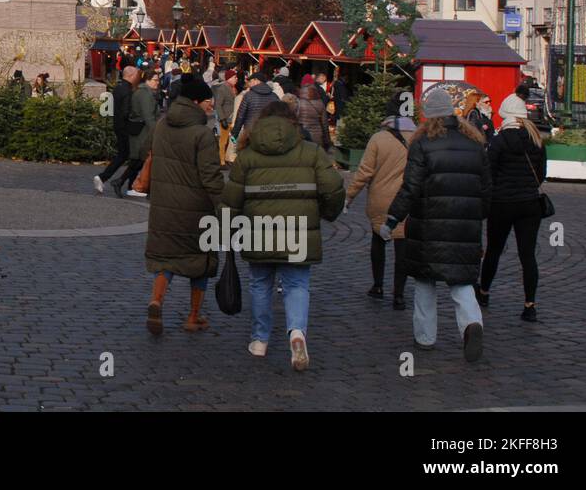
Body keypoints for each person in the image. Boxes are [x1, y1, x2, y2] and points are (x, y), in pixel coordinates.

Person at [224, 100, 344, 370]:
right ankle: (297, 333)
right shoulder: (311, 151)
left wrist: (227, 227)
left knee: (260, 283)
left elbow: (231, 198)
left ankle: (259, 340)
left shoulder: (247, 155)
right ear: (293, 122)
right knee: (297, 285)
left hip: (258, 229)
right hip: (299, 229)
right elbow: (334, 187)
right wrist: (327, 212)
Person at [384, 87, 491, 361]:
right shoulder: (475, 144)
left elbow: (410, 187)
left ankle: (425, 337)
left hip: (428, 224)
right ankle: (471, 324)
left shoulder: (422, 144)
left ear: (428, 115)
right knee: (462, 283)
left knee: (425, 282)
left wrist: (393, 218)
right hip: (465, 225)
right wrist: (477, 215)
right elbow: (487, 189)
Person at [144, 73, 222, 335]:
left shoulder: (162, 125)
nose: (211, 105)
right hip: (196, 209)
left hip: (164, 206)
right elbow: (210, 176)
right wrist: (224, 207)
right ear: (197, 102)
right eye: (208, 101)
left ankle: (157, 300)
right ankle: (193, 316)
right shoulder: (203, 134)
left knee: (167, 258)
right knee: (200, 261)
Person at [477, 93, 546, 322]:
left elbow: (489, 174)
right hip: (530, 204)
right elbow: (542, 174)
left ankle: (484, 292)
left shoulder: (499, 140)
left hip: (502, 204)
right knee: (528, 255)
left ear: (505, 115)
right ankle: (530, 305)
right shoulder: (536, 139)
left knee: (494, 250)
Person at [346, 102, 415, 309]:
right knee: (402, 246)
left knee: (378, 240)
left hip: (380, 198)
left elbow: (365, 172)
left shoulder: (378, 138)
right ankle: (399, 294)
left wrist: (349, 195)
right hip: (407, 200)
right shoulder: (418, 138)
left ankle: (377, 285)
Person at [92, 66, 140, 195]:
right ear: (131, 75)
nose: (138, 77)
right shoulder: (128, 90)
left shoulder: (118, 88)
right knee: (131, 156)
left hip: (117, 125)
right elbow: (126, 111)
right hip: (126, 127)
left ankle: (106, 177)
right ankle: (124, 183)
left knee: (123, 155)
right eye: (136, 75)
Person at [115, 70, 161, 199]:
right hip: (143, 132)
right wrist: (157, 132)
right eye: (155, 80)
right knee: (141, 160)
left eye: (158, 80)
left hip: (143, 130)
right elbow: (148, 117)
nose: (157, 83)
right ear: (147, 80)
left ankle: (129, 185)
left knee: (139, 161)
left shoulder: (146, 93)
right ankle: (126, 184)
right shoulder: (145, 94)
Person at [231, 71, 276, 140]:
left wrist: (235, 134)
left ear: (256, 81)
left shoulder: (249, 95)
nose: (249, 83)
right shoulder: (274, 96)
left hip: (250, 133)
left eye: (250, 81)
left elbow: (240, 116)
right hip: (269, 133)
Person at [295, 78, 331, 149]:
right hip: (317, 138)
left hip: (301, 136)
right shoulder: (320, 103)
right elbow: (324, 123)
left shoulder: (298, 103)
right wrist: (327, 140)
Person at [212, 68, 238, 166]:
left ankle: (227, 158)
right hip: (226, 119)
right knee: (223, 140)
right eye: (235, 77)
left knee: (231, 140)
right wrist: (222, 119)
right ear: (229, 78)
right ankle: (221, 160)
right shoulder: (223, 88)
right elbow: (218, 104)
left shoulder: (233, 88)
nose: (236, 79)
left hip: (232, 118)